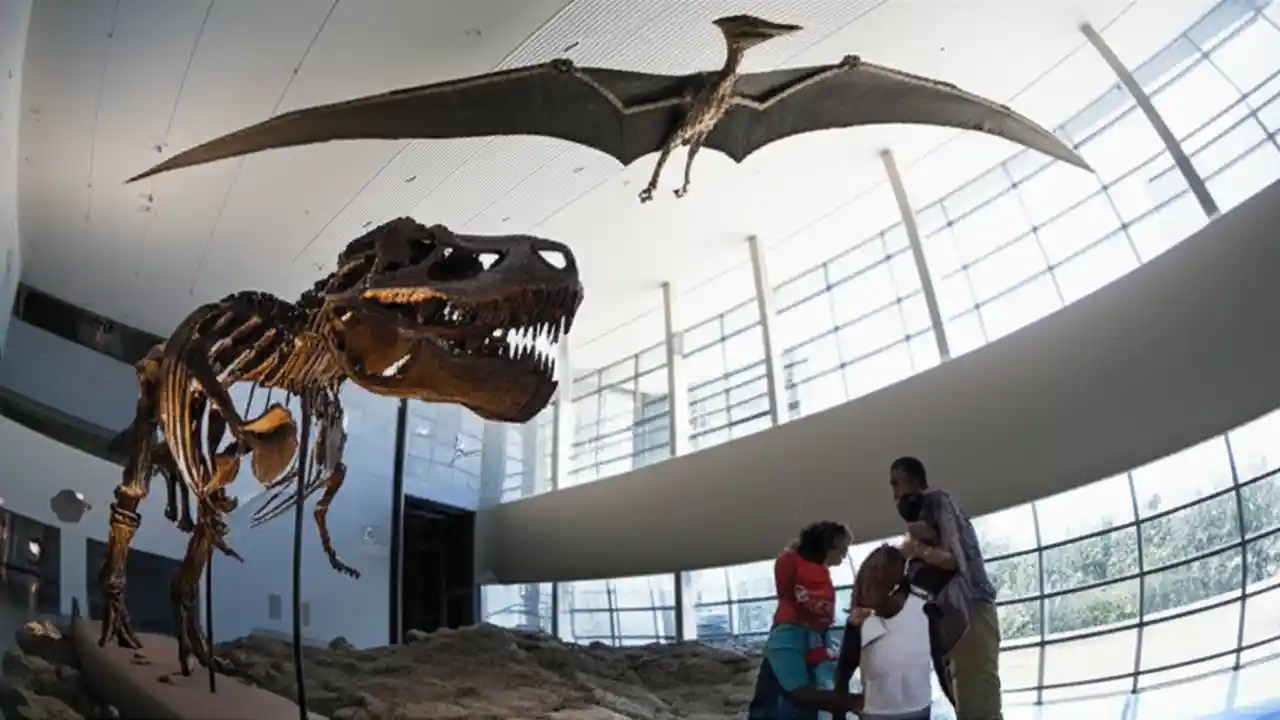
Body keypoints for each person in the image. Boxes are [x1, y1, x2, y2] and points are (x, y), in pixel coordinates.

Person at [890, 456, 1003, 720]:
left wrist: (915, 549)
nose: (895, 494)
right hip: (952, 623)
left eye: (896, 483)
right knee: (968, 706)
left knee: (978, 710)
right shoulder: (921, 524)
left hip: (969, 611)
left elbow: (954, 559)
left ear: (914, 480)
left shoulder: (937, 501)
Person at [747, 521, 865, 719]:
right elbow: (800, 693)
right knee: (795, 695)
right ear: (827, 546)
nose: (845, 554)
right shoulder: (791, 563)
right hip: (792, 632)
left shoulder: (819, 570)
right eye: (842, 549)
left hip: (813, 635)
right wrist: (853, 702)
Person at [835, 544, 955, 720]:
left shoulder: (924, 609)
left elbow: (941, 664)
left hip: (918, 710)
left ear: (894, 588)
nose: (866, 602)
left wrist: (958, 706)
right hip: (876, 714)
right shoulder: (860, 621)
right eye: (863, 591)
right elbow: (843, 673)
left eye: (870, 590)